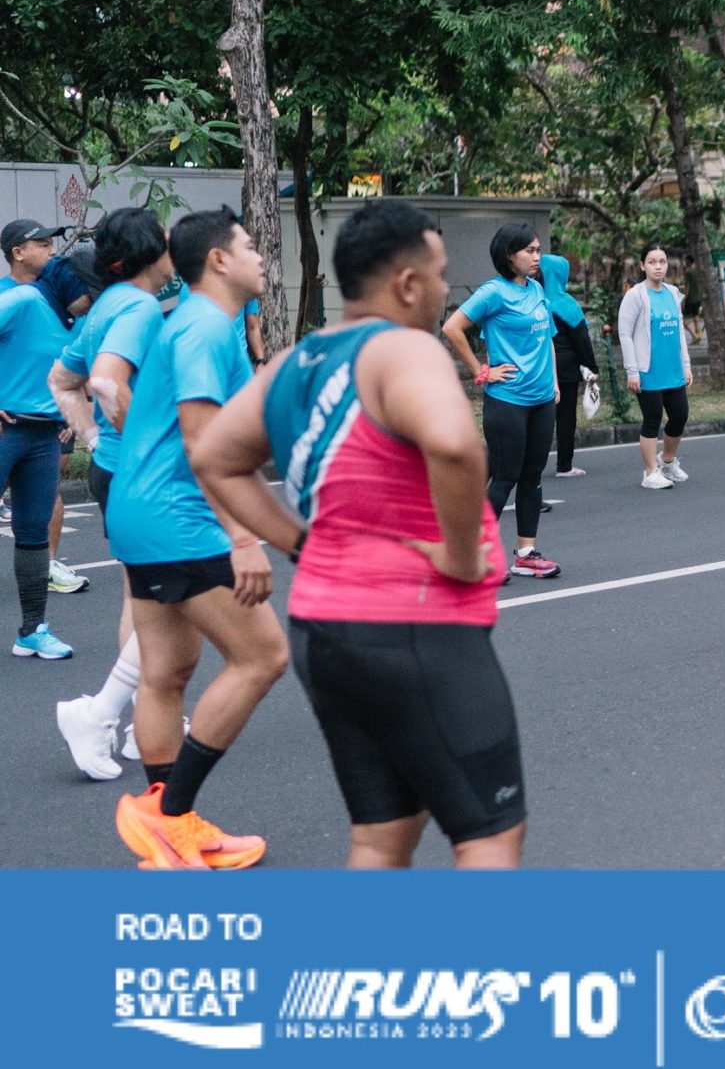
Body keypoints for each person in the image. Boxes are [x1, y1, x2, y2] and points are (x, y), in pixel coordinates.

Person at [192, 199, 524, 869]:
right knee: (488, 835)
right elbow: (458, 445)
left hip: (325, 627)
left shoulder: (293, 362)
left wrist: (299, 544)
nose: (441, 288)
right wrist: (463, 556)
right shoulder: (402, 347)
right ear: (407, 284)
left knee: (380, 835)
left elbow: (213, 458)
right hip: (416, 625)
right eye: (437, 273)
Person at [106, 208, 285, 870]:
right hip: (179, 517)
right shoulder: (208, 325)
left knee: (166, 672)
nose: (260, 255)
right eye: (249, 245)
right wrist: (242, 536)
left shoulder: (196, 320)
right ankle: (170, 814)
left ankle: (169, 824)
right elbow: (204, 441)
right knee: (263, 656)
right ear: (218, 259)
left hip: (141, 511)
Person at [49, 209, 175, 778]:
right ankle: (102, 713)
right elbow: (101, 380)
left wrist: (96, 435)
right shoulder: (140, 306)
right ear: (152, 249)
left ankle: (134, 721)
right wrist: (136, 438)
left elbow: (62, 380)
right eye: (167, 238)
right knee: (175, 605)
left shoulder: (104, 307)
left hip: (113, 468)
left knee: (144, 602)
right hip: (141, 474)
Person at [443, 223, 561, 581]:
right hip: (508, 400)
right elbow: (452, 328)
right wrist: (482, 371)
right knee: (505, 476)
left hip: (542, 400)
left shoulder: (537, 289)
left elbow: (548, 339)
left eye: (538, 250)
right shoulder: (494, 292)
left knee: (532, 477)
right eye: (529, 251)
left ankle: (525, 554)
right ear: (510, 255)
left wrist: (553, 381)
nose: (537, 256)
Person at [0, 220, 74, 660]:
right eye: (41, 244)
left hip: (45, 436)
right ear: (16, 252)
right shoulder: (17, 299)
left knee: (31, 535)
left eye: (52, 243)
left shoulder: (56, 302)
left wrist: (69, 404)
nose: (51, 251)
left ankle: (32, 631)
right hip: (7, 431)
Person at [617, 242, 694, 491]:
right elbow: (625, 334)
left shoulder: (673, 292)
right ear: (643, 265)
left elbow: (680, 332)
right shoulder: (635, 295)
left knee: (680, 416)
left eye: (662, 261)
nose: (658, 266)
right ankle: (650, 472)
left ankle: (667, 462)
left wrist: (686, 365)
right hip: (647, 370)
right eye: (652, 262)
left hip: (673, 370)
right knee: (652, 419)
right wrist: (632, 371)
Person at [539, 250, 600, 478]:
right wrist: (592, 369)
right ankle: (564, 465)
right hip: (564, 371)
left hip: (538, 369)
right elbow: (582, 340)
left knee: (537, 418)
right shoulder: (567, 304)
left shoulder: (534, 299)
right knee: (565, 418)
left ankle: (526, 467)